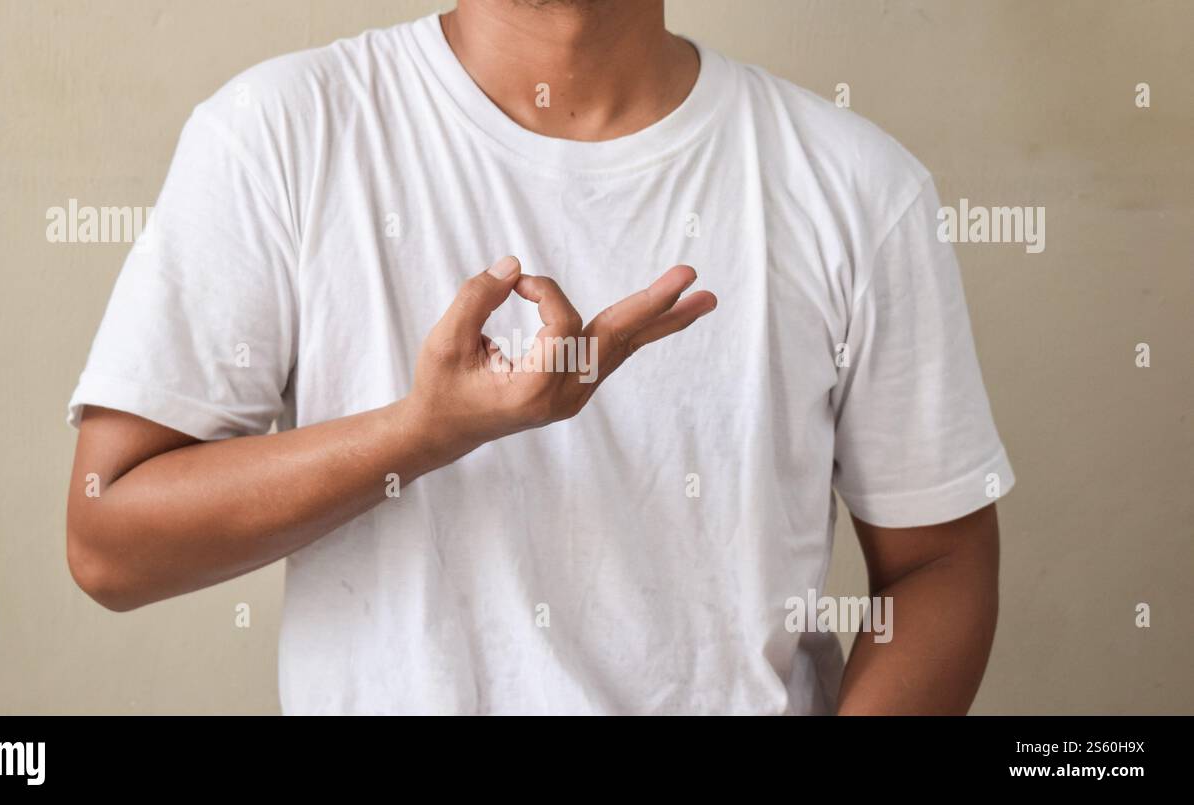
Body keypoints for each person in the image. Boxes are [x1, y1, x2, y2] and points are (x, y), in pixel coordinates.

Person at [66, 0, 1014, 715]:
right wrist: (422, 434)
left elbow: (938, 561)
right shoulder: (280, 133)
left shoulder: (855, 184)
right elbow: (108, 543)